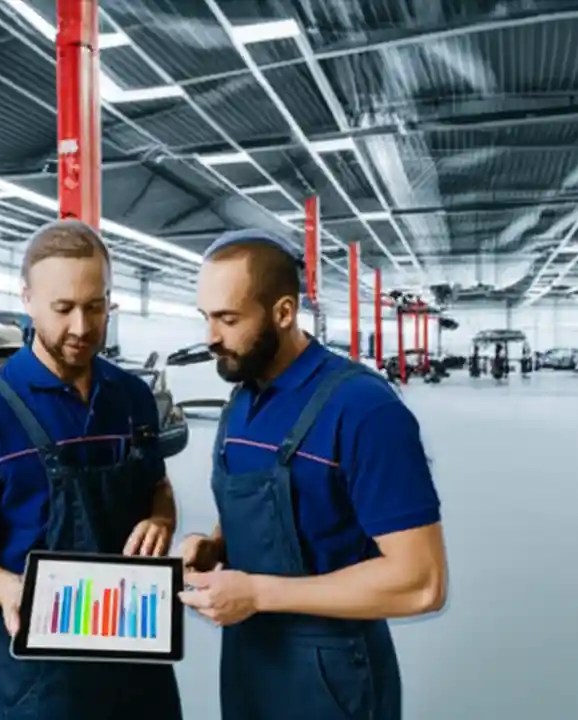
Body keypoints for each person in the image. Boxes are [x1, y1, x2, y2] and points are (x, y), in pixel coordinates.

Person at [178, 229, 449, 720]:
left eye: (228, 318)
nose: (211, 337)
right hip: (249, 661)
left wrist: (257, 592)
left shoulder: (364, 408)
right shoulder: (243, 399)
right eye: (206, 318)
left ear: (283, 313)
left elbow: (421, 581)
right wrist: (217, 545)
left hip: (330, 677)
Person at [0, 219, 182, 719]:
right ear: (28, 300)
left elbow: (157, 484)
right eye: (63, 309)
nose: (81, 327)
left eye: (95, 306)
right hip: (41, 681)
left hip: (138, 663)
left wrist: (161, 518)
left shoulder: (133, 397)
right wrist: (7, 588)